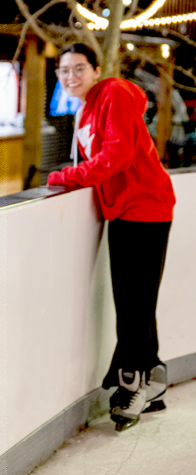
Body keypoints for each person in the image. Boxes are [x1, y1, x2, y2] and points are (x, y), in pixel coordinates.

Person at [47, 43, 176, 431]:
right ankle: (153, 381)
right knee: (138, 301)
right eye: (64, 71)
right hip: (125, 211)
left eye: (79, 69)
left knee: (133, 302)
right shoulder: (87, 105)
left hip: (145, 209)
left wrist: (65, 177)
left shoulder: (114, 93)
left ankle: (131, 387)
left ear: (97, 69)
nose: (71, 77)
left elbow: (117, 155)